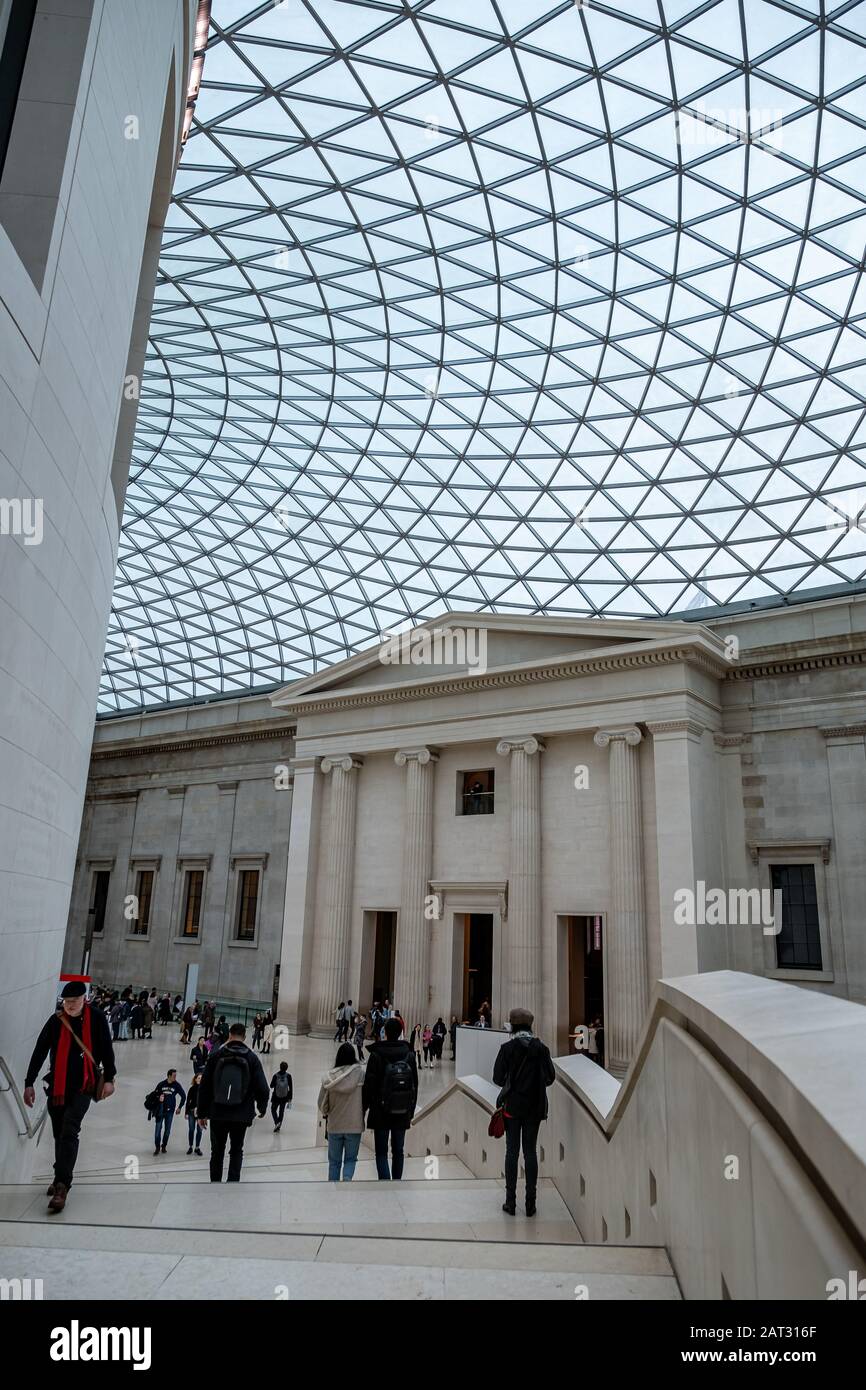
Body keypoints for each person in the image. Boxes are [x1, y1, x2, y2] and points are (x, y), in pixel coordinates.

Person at [23, 980, 117, 1214]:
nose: (69, 1005)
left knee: (69, 1129)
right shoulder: (56, 1021)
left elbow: (106, 1047)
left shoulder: (95, 1018)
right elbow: (40, 1049)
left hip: (84, 1086)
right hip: (57, 1087)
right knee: (58, 1133)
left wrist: (109, 1078)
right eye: (66, 1001)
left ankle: (63, 1186)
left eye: (73, 1001)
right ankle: (59, 1177)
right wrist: (28, 1083)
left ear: (84, 999)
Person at [492, 1008, 556, 1217]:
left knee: (512, 1152)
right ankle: (531, 1203)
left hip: (513, 1107)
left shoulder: (507, 1048)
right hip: (534, 1108)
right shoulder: (542, 1049)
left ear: (513, 1026)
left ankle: (510, 1202)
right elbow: (550, 1078)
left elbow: (498, 1079)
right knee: (530, 1152)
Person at [197, 1022, 269, 1182]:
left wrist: (201, 1113)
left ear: (229, 1035)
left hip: (218, 1112)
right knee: (236, 1150)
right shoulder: (252, 1058)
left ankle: (215, 1182)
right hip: (241, 1114)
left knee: (217, 1151)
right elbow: (263, 1088)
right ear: (244, 1037)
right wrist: (262, 1107)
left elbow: (205, 1086)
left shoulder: (216, 1056)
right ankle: (232, 1183)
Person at [362, 1016, 418, 1180]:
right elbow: (415, 1084)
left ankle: (385, 1183)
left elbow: (369, 1085)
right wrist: (411, 1110)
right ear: (400, 1033)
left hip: (380, 1110)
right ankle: (397, 1182)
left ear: (385, 1032)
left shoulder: (376, 1054)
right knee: (398, 1151)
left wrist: (364, 1108)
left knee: (381, 1152)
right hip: (402, 1109)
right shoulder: (409, 1054)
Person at [318, 1043, 365, 1181]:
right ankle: (347, 1181)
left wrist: (326, 1111)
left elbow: (321, 1104)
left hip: (335, 1126)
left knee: (334, 1162)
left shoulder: (329, 1078)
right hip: (354, 1125)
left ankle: (333, 1188)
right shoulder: (361, 1075)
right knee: (350, 1160)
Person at [149, 1068, 186, 1155]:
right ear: (169, 1076)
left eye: (176, 1076)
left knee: (167, 1130)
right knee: (158, 1130)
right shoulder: (161, 1084)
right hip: (160, 1111)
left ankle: (164, 1145)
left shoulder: (177, 1085)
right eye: (174, 1076)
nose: (175, 1077)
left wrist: (180, 1107)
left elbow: (183, 1096)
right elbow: (154, 1096)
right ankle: (157, 1147)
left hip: (170, 1112)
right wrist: (158, 1098)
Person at [270, 1061, 293, 1131]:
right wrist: (290, 1098)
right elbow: (291, 1088)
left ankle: (277, 1122)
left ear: (280, 1067)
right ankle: (279, 1126)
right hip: (284, 1097)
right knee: (281, 1112)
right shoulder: (288, 1076)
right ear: (286, 1068)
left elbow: (271, 1086)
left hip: (276, 1097)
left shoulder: (275, 1076)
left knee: (273, 1109)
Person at [185, 1072, 204, 1155]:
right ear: (195, 1079)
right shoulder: (192, 1089)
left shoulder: (205, 1089)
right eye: (199, 1078)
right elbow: (188, 1101)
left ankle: (197, 1147)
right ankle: (190, 1146)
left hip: (201, 1113)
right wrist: (186, 1112)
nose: (200, 1079)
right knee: (191, 1129)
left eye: (201, 1078)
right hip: (191, 1112)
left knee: (199, 1130)